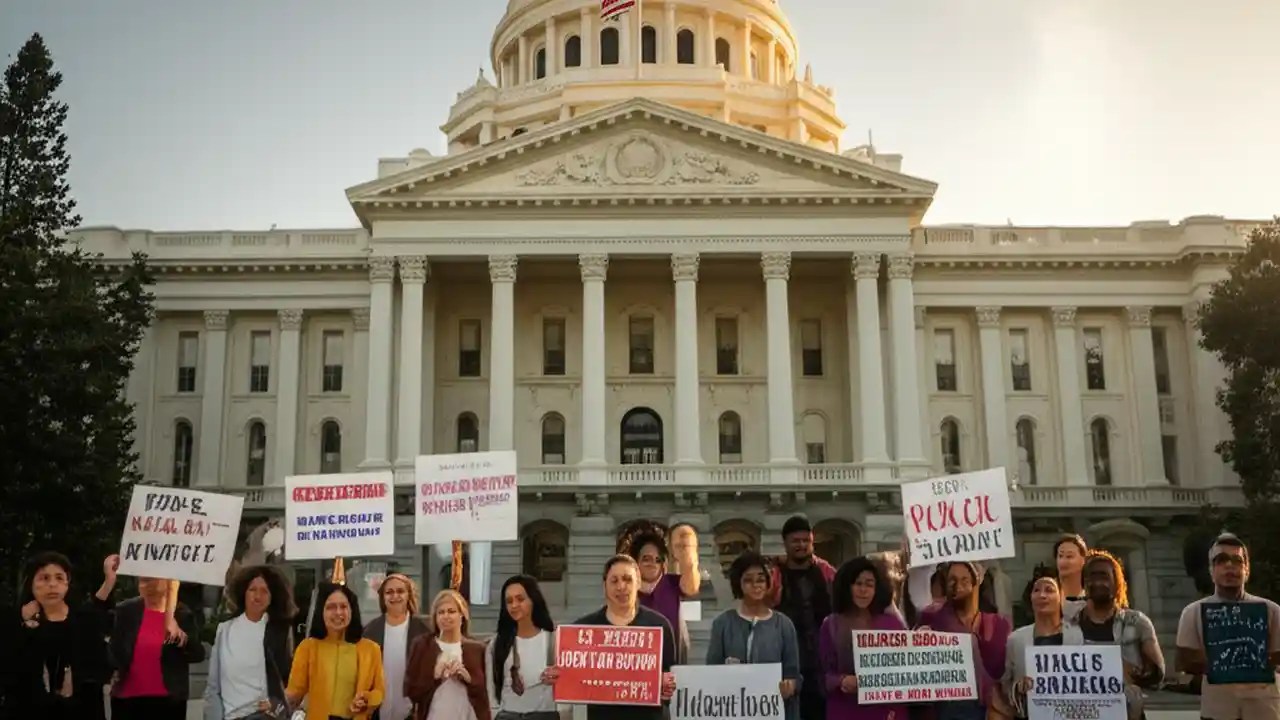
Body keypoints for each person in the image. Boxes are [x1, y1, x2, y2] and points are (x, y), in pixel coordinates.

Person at [547, 555, 677, 720]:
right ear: (604, 586)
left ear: (638, 583)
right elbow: (570, 677)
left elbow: (671, 675)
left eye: (627, 579)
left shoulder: (660, 625)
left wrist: (667, 685)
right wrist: (556, 676)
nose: (621, 587)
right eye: (614, 581)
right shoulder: (583, 630)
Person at [1176, 533, 1280, 720]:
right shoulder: (1192, 613)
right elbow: (1185, 661)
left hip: (1264, 710)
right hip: (1218, 711)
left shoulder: (1272, 610)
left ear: (1247, 570)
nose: (1229, 566)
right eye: (1221, 560)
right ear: (1211, 570)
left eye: (1237, 561)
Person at [4, 552, 119, 720]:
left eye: (59, 578)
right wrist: (23, 623)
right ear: (31, 583)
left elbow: (96, 606)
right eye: (44, 578)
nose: (52, 585)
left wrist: (109, 579)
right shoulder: (15, 621)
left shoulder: (81, 619)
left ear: (67, 582)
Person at [1063, 550, 1163, 720]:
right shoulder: (1066, 624)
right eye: (1092, 576)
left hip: (1127, 713)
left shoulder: (1138, 623)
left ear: (1117, 582)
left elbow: (1157, 674)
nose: (1098, 582)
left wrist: (1121, 669)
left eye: (1104, 576)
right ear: (1084, 583)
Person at [706, 552, 801, 720]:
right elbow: (712, 671)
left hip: (772, 713)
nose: (756, 585)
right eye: (748, 580)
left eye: (761, 579)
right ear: (738, 584)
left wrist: (790, 686)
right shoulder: (722, 624)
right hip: (732, 712)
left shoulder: (784, 625)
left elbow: (794, 674)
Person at [916, 562, 1011, 720]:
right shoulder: (932, 617)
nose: (957, 585)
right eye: (952, 580)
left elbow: (1008, 670)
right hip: (945, 708)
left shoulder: (998, 625)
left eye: (964, 580)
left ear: (976, 584)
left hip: (987, 711)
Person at [818, 557, 908, 720]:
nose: (863, 590)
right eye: (858, 584)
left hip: (887, 712)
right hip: (845, 710)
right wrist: (842, 681)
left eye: (869, 584)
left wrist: (922, 639)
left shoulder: (893, 624)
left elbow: (907, 668)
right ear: (847, 586)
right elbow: (824, 677)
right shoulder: (831, 625)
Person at [204, 565, 297, 720]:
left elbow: (288, 678)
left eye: (264, 591)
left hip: (262, 716)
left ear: (272, 597)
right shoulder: (225, 629)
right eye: (252, 589)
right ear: (243, 593)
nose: (257, 596)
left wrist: (276, 705)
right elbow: (213, 686)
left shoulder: (279, 631)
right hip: (230, 716)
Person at [769, 515, 836, 720]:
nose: (801, 545)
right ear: (785, 543)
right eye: (795, 541)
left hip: (821, 662)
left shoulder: (827, 572)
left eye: (806, 541)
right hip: (785, 660)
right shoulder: (773, 574)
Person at [110, 577, 206, 720]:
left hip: (168, 702)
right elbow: (114, 651)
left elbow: (198, 654)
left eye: (153, 580)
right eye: (143, 581)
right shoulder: (126, 610)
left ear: (167, 582)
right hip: (128, 700)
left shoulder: (182, 614)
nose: (148, 586)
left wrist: (180, 636)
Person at [286, 582, 385, 720]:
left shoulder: (371, 649)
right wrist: (275, 702)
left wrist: (366, 699)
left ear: (352, 610)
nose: (338, 612)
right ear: (321, 611)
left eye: (343, 606)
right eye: (331, 607)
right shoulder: (308, 647)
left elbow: (379, 691)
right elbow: (295, 691)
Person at [404, 589, 490, 720]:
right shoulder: (422, 646)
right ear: (435, 617)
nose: (446, 616)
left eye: (451, 611)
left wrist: (469, 680)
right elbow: (411, 690)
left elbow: (487, 694)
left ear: (462, 615)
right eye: (441, 612)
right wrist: (435, 676)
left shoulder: (477, 649)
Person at [487, 575, 563, 720]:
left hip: (544, 715)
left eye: (520, 599)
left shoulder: (554, 640)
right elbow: (491, 690)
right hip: (508, 715)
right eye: (509, 601)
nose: (514, 605)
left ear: (533, 600)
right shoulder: (497, 643)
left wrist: (560, 678)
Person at [364, 573, 431, 720]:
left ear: (409, 595)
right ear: (383, 597)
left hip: (412, 712)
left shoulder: (424, 631)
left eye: (400, 591)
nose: (395, 596)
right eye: (389, 592)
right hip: (377, 710)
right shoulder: (370, 631)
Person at [627, 530, 700, 663]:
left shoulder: (672, 583)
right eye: (646, 559)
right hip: (637, 666)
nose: (652, 563)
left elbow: (691, 586)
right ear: (635, 563)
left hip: (672, 666)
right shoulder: (627, 590)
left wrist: (687, 552)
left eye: (657, 559)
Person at [1002, 568, 1064, 720]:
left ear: (1061, 597)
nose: (1042, 595)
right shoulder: (1015, 639)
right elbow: (1005, 685)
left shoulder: (1077, 636)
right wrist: (1018, 688)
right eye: (1036, 590)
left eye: (1049, 590)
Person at [1053, 535, 1088, 619]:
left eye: (1069, 556)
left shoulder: (1091, 593)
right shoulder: (1049, 591)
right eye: (1060, 556)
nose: (1063, 561)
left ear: (1083, 560)